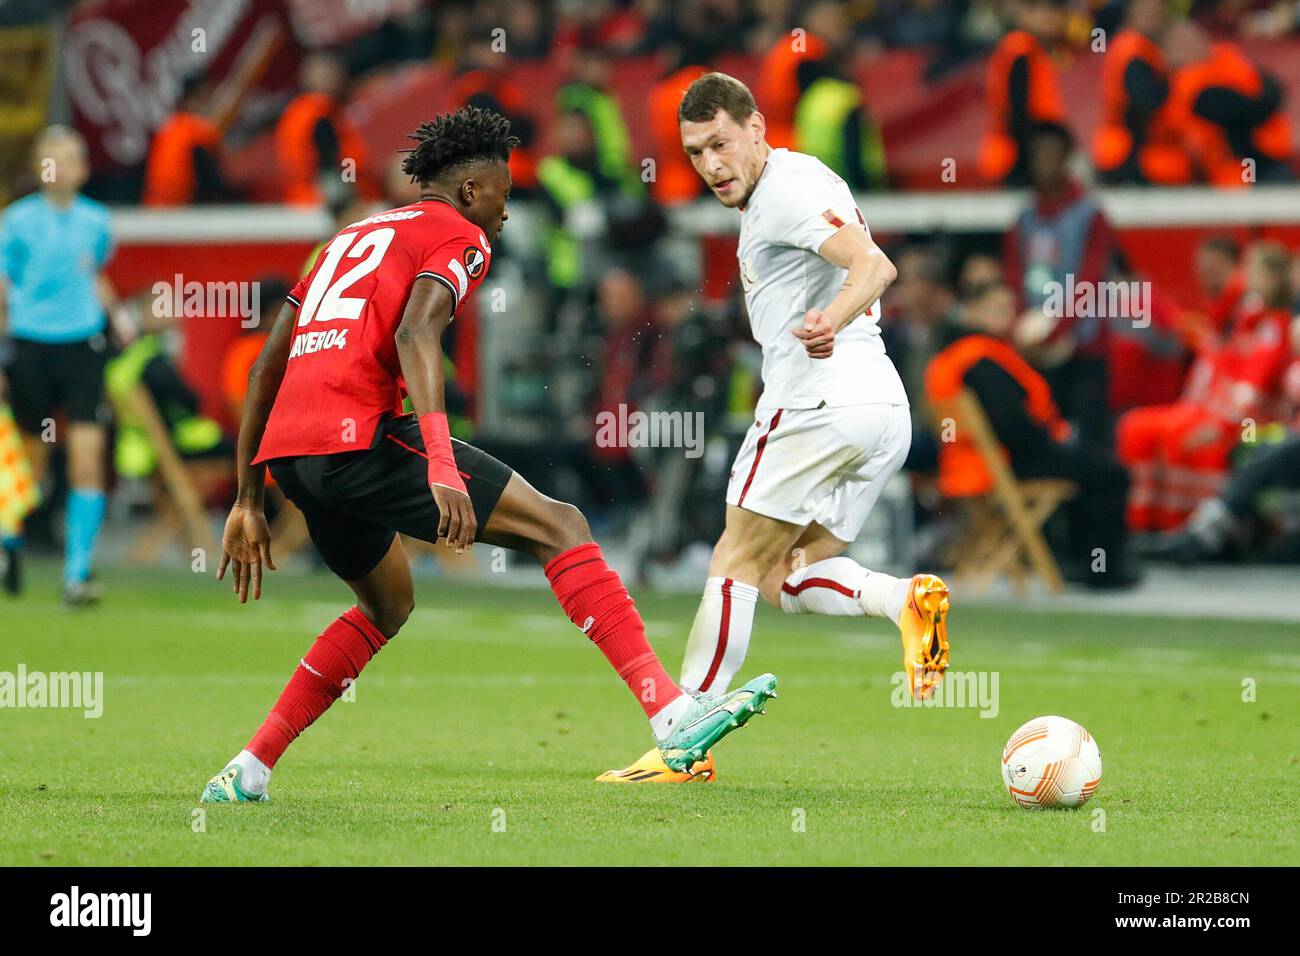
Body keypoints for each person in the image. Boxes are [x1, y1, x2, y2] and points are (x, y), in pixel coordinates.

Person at [199, 108, 778, 803]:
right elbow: (418, 334)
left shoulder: (349, 236)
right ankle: (672, 712)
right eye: (504, 193)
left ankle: (248, 768)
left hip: (296, 456)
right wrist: (441, 464)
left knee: (387, 604)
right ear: (471, 190)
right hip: (360, 436)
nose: (507, 211)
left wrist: (248, 496)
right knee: (560, 525)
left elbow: (268, 364)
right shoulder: (461, 234)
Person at [599, 73, 949, 784]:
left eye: (722, 143)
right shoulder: (787, 186)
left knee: (732, 558)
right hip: (879, 409)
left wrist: (830, 316)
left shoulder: (786, 190)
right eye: (696, 153)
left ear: (756, 128)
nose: (711, 165)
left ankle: (682, 741)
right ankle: (902, 599)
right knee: (789, 574)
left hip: (817, 401)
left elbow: (875, 265)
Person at [926, 279, 1137, 587]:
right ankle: (1102, 569)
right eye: (997, 309)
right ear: (971, 311)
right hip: (1003, 464)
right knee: (1110, 473)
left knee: (1089, 468)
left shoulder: (954, 355)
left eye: (1009, 309)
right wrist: (1057, 443)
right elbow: (1012, 424)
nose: (1007, 316)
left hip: (969, 466)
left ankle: (1082, 562)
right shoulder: (980, 358)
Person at [0, 126, 134, 606]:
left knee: (86, 456)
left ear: (82, 169)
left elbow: (92, 273)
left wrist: (117, 316)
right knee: (33, 465)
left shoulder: (95, 221)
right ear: (39, 168)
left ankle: (76, 573)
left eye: (70, 158)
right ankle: (9, 539)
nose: (60, 167)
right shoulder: (15, 222)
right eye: (50, 158)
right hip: (32, 346)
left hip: (82, 346)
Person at [1092, 0, 1191, 185]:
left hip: (1123, 151)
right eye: (1148, 10)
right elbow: (1142, 101)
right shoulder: (1132, 46)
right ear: (1132, 14)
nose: (1156, 16)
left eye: (1159, 9)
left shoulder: (1143, 47)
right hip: (1126, 154)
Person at [978, 0, 1067, 187]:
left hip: (1018, 152)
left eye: (1053, 9)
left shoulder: (1028, 49)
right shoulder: (1020, 49)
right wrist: (1033, 158)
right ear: (1021, 13)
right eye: (1039, 9)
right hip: (1016, 156)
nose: (1049, 16)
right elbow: (1018, 111)